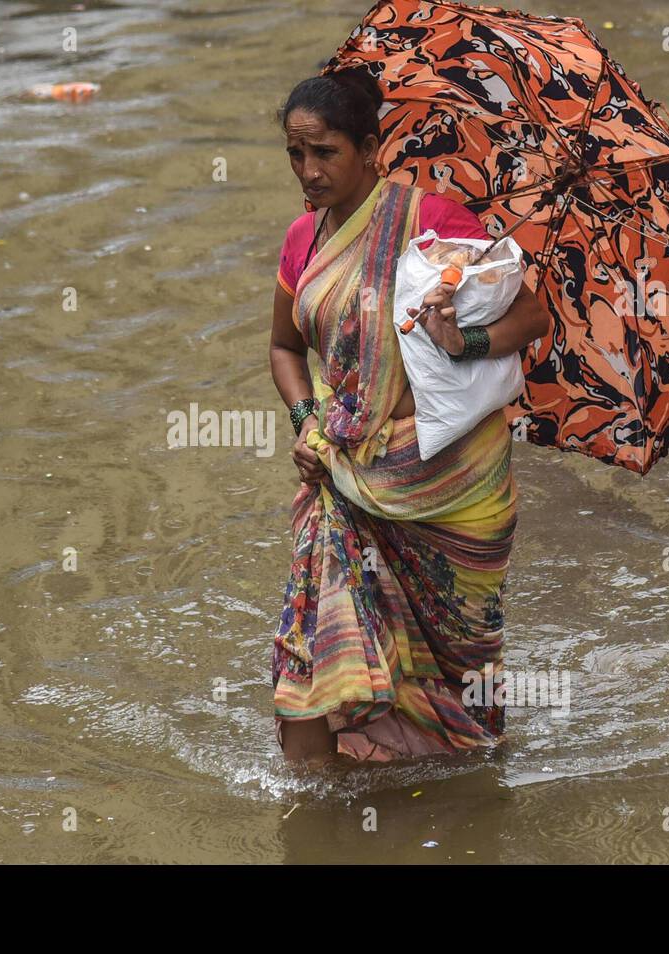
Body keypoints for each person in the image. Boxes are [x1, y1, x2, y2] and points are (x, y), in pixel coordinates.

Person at [269, 66, 551, 765]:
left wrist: (467, 338)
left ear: (369, 148)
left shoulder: (432, 223)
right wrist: (308, 420)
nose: (307, 170)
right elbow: (283, 347)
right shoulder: (303, 240)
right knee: (311, 665)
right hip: (344, 479)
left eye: (324, 152)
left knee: (462, 694)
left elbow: (531, 315)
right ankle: (320, 814)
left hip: (451, 493)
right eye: (295, 153)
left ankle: (455, 800)